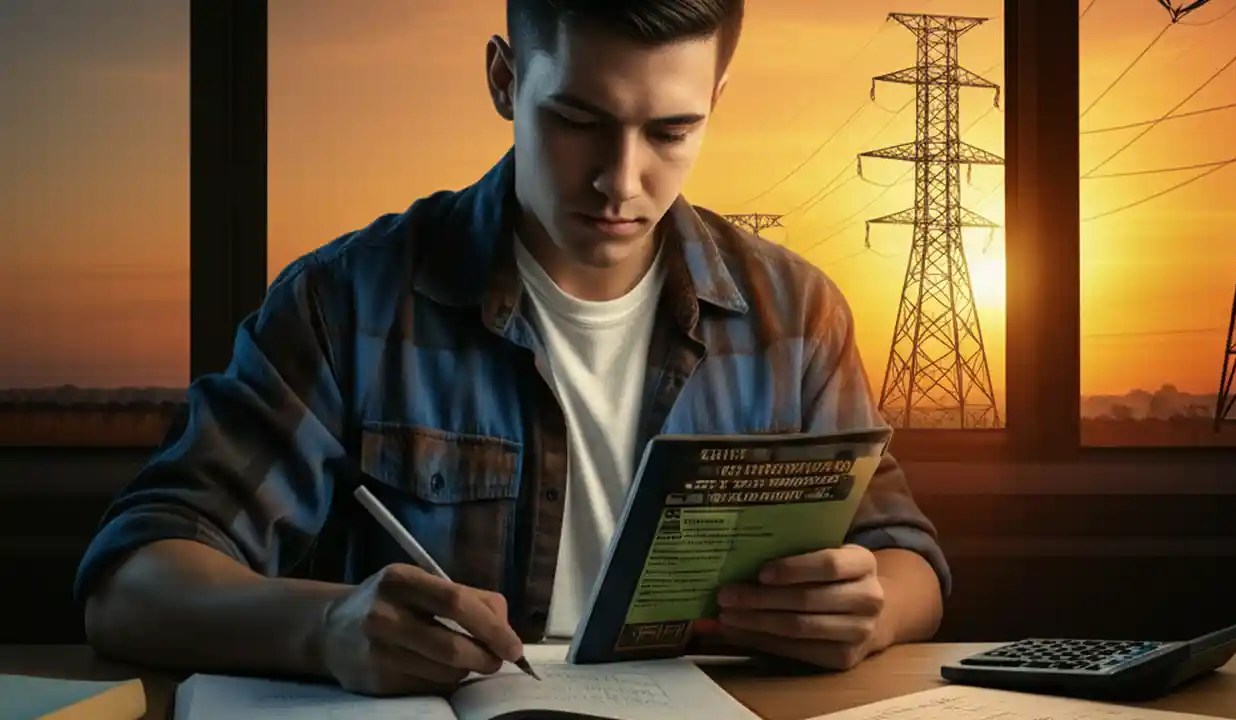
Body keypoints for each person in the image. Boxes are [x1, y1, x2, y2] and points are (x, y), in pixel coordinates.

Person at [76, 0, 951, 698]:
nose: (620, 179)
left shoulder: (793, 313)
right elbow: (130, 582)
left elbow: (907, 558)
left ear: (716, 102)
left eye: (671, 133)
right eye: (577, 120)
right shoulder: (347, 302)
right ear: (503, 78)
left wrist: (869, 610)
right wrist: (327, 626)